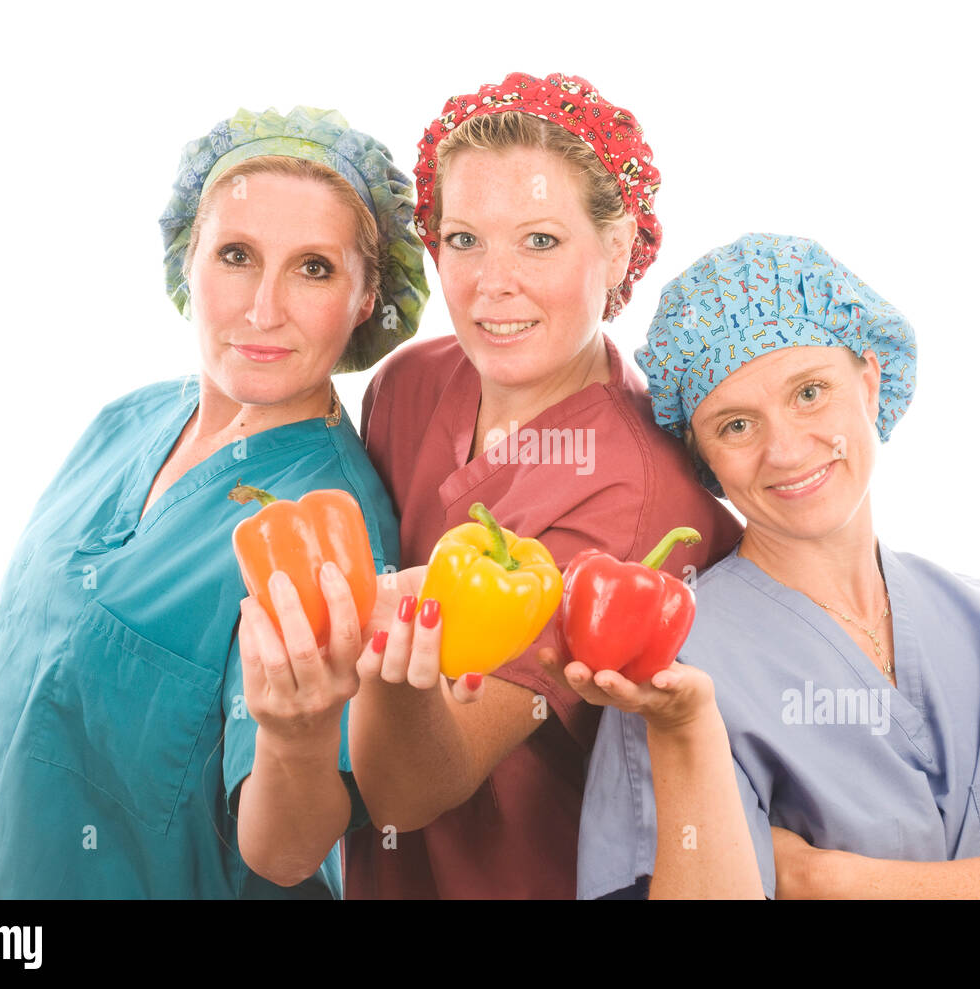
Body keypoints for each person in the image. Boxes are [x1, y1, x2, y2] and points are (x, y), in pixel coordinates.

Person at [0, 106, 427, 898]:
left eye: (314, 268)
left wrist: (297, 735)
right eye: (237, 254)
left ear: (368, 294)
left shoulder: (323, 526)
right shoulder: (123, 422)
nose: (264, 308)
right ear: (186, 260)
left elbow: (289, 849)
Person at [572, 233, 980, 898]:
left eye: (810, 392)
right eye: (737, 426)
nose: (787, 449)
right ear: (703, 458)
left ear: (869, 379)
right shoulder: (674, 666)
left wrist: (825, 877)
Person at [346, 72, 745, 898]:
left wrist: (363, 636)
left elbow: (415, 787)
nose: (494, 284)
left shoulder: (635, 496)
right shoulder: (409, 385)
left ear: (617, 246)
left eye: (539, 240)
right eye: (463, 239)